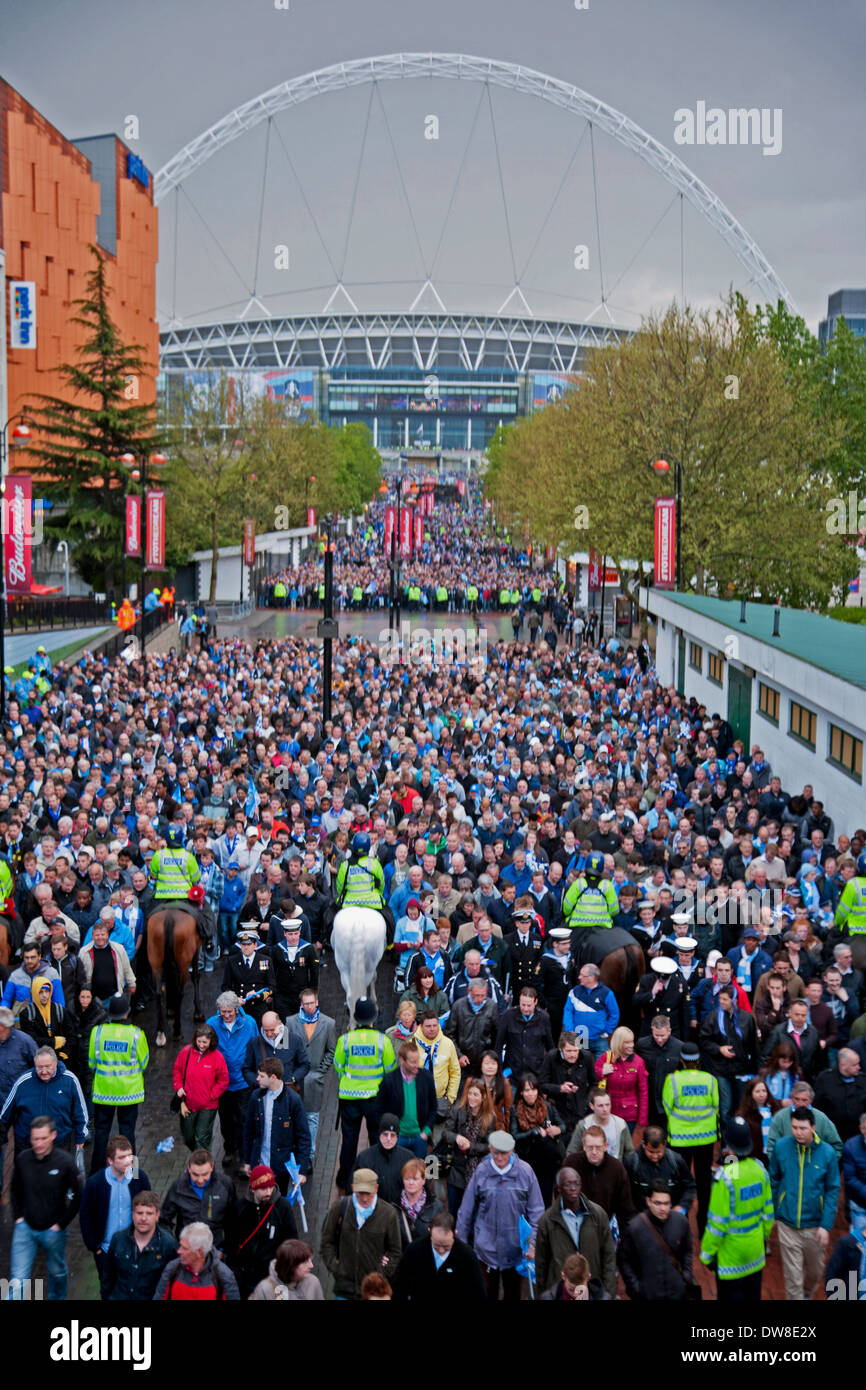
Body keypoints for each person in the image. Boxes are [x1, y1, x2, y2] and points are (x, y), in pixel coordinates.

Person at [456, 1130, 545, 1302]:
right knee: (486, 1294)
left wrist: (532, 1243)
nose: (499, 1157)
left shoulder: (526, 1172)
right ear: (489, 1148)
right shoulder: (482, 1171)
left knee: (514, 1294)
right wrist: (462, 1246)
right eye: (495, 1152)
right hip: (486, 1251)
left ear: (512, 1150)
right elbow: (465, 1210)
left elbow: (537, 1212)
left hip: (516, 1252)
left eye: (503, 1153)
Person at [699, 1115, 774, 1301]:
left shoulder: (725, 1177)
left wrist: (706, 1255)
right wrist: (762, 1239)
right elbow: (768, 1215)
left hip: (730, 1259)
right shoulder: (760, 1170)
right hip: (755, 1254)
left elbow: (718, 1225)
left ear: (728, 1145)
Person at [770, 1106, 841, 1301]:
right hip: (787, 1223)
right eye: (794, 1127)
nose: (798, 1132)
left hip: (815, 1226)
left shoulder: (827, 1154)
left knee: (815, 1272)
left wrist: (826, 1226)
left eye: (802, 1128)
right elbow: (774, 1180)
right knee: (792, 1278)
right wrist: (775, 1211)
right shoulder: (781, 1147)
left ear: (813, 1128)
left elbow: (832, 1190)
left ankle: (806, 1295)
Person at [8, 1115, 81, 1300]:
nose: (38, 1143)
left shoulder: (65, 1162)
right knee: (17, 1280)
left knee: (57, 1273)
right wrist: (18, 1217)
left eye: (43, 1138)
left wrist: (61, 1224)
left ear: (53, 1135)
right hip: (26, 1228)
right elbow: (14, 1188)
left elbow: (79, 1195)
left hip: (53, 1231)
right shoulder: (23, 1159)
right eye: (35, 1139)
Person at [334, 996, 397, 1191]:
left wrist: (351, 1079)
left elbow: (338, 1066)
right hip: (374, 1098)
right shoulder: (382, 1040)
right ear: (373, 1019)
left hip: (349, 1097)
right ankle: (377, 1176)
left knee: (349, 1140)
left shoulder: (345, 1040)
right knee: (375, 1138)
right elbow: (390, 1069)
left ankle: (346, 1178)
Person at [662, 1041, 720, 1235]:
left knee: (680, 1182)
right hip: (705, 1139)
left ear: (681, 1060)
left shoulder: (672, 1080)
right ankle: (703, 1225)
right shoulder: (710, 1079)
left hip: (680, 1139)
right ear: (698, 1060)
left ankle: (682, 1224)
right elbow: (716, 1106)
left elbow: (667, 1106)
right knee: (704, 1183)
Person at [88, 991, 149, 1173]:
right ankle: (133, 1172)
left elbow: (92, 1063)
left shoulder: (97, 1032)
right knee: (128, 1133)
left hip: (103, 1092)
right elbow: (144, 1063)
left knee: (101, 1132)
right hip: (129, 1093)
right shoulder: (136, 1034)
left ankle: (96, 1173)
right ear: (127, 1013)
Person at [320, 1168, 403, 1301]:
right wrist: (336, 1268)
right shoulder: (339, 1207)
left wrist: (382, 1272)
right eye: (360, 1193)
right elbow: (326, 1242)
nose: (364, 1198)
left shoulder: (388, 1213)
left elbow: (396, 1251)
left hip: (374, 1292)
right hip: (344, 1289)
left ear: (376, 1188)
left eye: (368, 1193)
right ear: (353, 1188)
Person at [534, 1165, 617, 1297]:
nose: (573, 1188)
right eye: (568, 1184)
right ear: (559, 1188)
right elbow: (541, 1264)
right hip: (561, 1292)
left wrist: (607, 1293)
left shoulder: (598, 1215)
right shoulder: (547, 1220)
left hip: (592, 1290)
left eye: (577, 1183)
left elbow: (608, 1257)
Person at [79, 1136, 151, 1279]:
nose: (128, 1161)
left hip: (134, 1250)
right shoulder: (96, 1183)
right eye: (122, 1157)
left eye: (130, 1156)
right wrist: (95, 1247)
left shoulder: (139, 1178)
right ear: (110, 1160)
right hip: (106, 1252)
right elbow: (85, 1216)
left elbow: (150, 1209)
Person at [224, 1164, 299, 1299]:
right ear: (253, 1188)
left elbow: (292, 1241)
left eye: (271, 1187)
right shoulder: (240, 1208)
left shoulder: (283, 1207)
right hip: (245, 1277)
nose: (269, 1192)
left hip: (273, 1278)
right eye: (263, 1188)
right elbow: (231, 1241)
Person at [0, 1045, 88, 1158]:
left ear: (55, 1063)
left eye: (48, 1066)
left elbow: (80, 1111)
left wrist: (81, 1136)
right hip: (27, 1145)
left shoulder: (70, 1080)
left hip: (59, 1144)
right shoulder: (23, 1081)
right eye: (39, 1067)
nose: (44, 1071)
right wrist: (2, 1137)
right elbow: (6, 1112)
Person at [241, 1058, 312, 1194]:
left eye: (261, 1076)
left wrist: (302, 1170)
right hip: (259, 1164)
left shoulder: (293, 1100)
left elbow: (303, 1136)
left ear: (273, 1077)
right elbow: (248, 1131)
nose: (257, 1079)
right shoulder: (256, 1097)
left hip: (281, 1169)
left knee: (278, 1204)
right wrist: (247, 1161)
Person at [206, 991, 258, 1171]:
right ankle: (229, 1149)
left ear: (237, 1009)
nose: (227, 1016)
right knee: (226, 1119)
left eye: (230, 1012)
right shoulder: (212, 1025)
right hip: (221, 1083)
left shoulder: (249, 1024)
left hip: (243, 1082)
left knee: (243, 1119)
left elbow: (256, 1048)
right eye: (223, 1012)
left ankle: (244, 1157)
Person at [618, 1180, 695, 1301]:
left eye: (666, 1203)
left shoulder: (681, 1222)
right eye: (657, 1203)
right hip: (647, 1294)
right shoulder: (635, 1227)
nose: (662, 1208)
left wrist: (686, 1275)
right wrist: (635, 1287)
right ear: (648, 1201)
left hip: (677, 1292)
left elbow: (687, 1251)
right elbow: (624, 1260)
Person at [285, 987, 336, 1162]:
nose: (309, 1007)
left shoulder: (328, 1023)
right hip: (295, 1079)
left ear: (317, 1003)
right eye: (305, 1004)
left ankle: (309, 1155)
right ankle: (295, 1152)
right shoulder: (290, 1022)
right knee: (293, 1117)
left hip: (315, 1079)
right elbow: (285, 1049)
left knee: (312, 1118)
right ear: (301, 1004)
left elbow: (331, 1050)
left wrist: (321, 1071)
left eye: (311, 1003)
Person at [390, 1210, 487, 1301]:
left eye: (446, 1246)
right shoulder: (414, 1251)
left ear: (455, 1233)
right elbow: (399, 1288)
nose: (441, 1250)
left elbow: (478, 1293)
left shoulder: (467, 1256)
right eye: (436, 1245)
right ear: (429, 1231)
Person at [699, 983, 760, 1126]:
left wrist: (757, 1070)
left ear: (734, 1001)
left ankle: (739, 1137)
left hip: (741, 1069)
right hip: (720, 1069)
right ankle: (726, 1142)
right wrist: (719, 1049)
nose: (721, 1002)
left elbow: (754, 1045)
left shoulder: (747, 1018)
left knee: (741, 1106)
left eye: (725, 999)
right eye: (720, 999)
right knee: (725, 1107)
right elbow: (704, 1039)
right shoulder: (713, 1017)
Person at [100, 1191, 179, 1301]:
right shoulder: (118, 1239)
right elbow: (108, 1276)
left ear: (157, 1215)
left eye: (149, 1213)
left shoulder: (168, 1245)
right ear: (132, 1215)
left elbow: (173, 1283)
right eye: (139, 1213)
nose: (143, 1218)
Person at [160, 1148, 238, 1250]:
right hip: (188, 1250)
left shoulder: (225, 1184)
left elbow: (233, 1221)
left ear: (212, 1167)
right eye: (195, 1175)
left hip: (215, 1249)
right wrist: (175, 1246)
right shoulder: (178, 1187)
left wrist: (225, 1250)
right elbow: (164, 1220)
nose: (200, 1180)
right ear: (189, 1168)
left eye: (205, 1174)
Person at [563, 1124, 634, 1230]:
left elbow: (625, 1209)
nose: (594, 1152)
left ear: (605, 1146)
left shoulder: (616, 1168)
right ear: (583, 1146)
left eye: (598, 1147)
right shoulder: (571, 1163)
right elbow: (559, 1198)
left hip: (604, 1227)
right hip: (574, 1226)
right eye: (590, 1147)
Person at [375, 1039, 437, 1159]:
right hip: (398, 1138)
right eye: (413, 1062)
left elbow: (433, 1107)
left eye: (417, 1061)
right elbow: (378, 1109)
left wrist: (426, 1132)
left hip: (420, 1137)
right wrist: (388, 1133)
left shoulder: (426, 1077)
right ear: (402, 1060)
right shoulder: (389, 1080)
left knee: (419, 1173)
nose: (417, 1065)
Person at [442, 1079, 496, 1215]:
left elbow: (489, 1146)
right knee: (454, 1210)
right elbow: (445, 1133)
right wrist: (457, 1138)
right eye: (470, 1093)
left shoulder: (489, 1118)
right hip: (456, 1168)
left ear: (483, 1097)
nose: (471, 1097)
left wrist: (470, 1146)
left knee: (473, 1213)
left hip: (477, 1170)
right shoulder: (458, 1110)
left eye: (476, 1094)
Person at [172, 1023, 230, 1152]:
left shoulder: (217, 1057)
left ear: (211, 1041)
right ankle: (198, 1156)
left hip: (208, 1107)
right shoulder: (186, 1052)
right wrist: (178, 1086)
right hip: (188, 1104)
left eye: (205, 1042)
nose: (202, 1045)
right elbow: (177, 1071)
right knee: (188, 1136)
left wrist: (212, 1095)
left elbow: (223, 1080)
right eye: (199, 1041)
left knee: (202, 1138)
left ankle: (202, 1165)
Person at [154, 1221, 241, 1300]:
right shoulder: (172, 1269)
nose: (179, 1251)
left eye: (185, 1248)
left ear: (199, 1252)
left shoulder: (224, 1276)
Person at [623, 1125, 697, 1215]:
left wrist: (682, 1206)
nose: (655, 1156)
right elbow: (625, 1193)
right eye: (651, 1152)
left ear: (664, 1144)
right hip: (643, 1218)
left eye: (658, 1152)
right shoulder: (631, 1163)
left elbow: (689, 1186)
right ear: (643, 1144)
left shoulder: (676, 1160)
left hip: (671, 1216)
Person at [765, 1079, 844, 1163]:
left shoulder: (821, 1118)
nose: (800, 1103)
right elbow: (771, 1147)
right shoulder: (780, 1117)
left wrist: (823, 1166)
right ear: (791, 1098)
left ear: (811, 1100)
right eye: (797, 1099)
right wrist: (782, 1167)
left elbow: (836, 1146)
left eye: (804, 1100)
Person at [538, 1031, 597, 1133]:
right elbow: (541, 1085)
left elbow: (594, 1083)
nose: (572, 1055)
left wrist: (586, 1103)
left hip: (580, 1111)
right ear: (560, 1049)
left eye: (575, 1051)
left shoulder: (587, 1057)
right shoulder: (551, 1057)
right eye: (568, 1051)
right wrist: (560, 1088)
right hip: (556, 1111)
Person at [412, 1009, 461, 1127]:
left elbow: (455, 1071)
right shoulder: (412, 1043)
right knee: (420, 1136)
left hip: (440, 1100)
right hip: (417, 1099)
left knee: (438, 1140)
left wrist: (450, 1098)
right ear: (421, 1026)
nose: (432, 1028)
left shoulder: (448, 1044)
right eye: (428, 1026)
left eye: (435, 1025)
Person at [353, 1114, 415, 1205]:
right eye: (385, 1134)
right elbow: (354, 1187)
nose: (388, 1139)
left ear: (397, 1137)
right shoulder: (365, 1158)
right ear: (379, 1134)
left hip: (401, 1210)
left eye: (392, 1135)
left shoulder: (408, 1158)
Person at [596, 1025, 648, 1133]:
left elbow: (643, 1092)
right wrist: (601, 1073)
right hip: (608, 1114)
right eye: (627, 1042)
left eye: (632, 1042)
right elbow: (592, 1078)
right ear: (618, 1042)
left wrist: (642, 1119)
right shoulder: (606, 1058)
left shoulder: (639, 1062)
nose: (631, 1045)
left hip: (630, 1116)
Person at [562, 962, 619, 1061]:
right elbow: (568, 1011)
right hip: (580, 1039)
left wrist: (607, 1031)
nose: (579, 977)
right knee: (580, 1068)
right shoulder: (574, 992)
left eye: (582, 975)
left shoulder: (607, 993)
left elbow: (614, 1014)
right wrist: (569, 1030)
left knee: (601, 1070)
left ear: (592, 977)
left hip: (599, 1039)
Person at [496, 986, 554, 1079]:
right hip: (512, 1072)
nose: (526, 1009)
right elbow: (498, 1045)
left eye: (529, 1005)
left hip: (535, 1073)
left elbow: (550, 1046)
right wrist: (501, 1071)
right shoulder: (508, 1016)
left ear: (535, 1002)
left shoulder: (544, 1018)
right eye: (523, 1005)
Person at [445, 978, 499, 1076]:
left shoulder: (492, 1006)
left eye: (482, 996)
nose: (479, 999)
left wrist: (490, 1057)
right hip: (463, 1061)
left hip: (484, 1061)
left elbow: (496, 1035)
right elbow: (449, 1034)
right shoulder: (458, 1006)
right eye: (476, 995)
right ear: (469, 992)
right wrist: (459, 1055)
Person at [637, 1013, 684, 1127]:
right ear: (652, 1030)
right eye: (656, 1035)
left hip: (670, 1099)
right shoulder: (642, 1045)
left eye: (662, 1035)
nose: (659, 1039)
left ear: (669, 1031)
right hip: (649, 1099)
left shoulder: (679, 1047)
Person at [568, 1085, 634, 1162]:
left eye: (607, 1105)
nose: (605, 1109)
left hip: (614, 1169)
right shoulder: (584, 1125)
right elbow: (571, 1152)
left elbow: (630, 1153)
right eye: (600, 1106)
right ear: (591, 1106)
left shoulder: (620, 1124)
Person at [813, 1048, 866, 1142]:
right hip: (833, 1135)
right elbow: (817, 1107)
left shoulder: (863, 1080)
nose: (859, 1067)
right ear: (843, 1065)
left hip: (857, 1136)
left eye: (858, 1063)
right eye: (854, 1065)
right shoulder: (825, 1080)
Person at [249, 1238, 324, 1301]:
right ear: (291, 1265)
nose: (311, 1265)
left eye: (310, 1260)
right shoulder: (265, 1289)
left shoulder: (312, 1282)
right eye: (305, 1262)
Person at [394, 1156, 444, 1249]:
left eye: (415, 1179)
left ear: (424, 1180)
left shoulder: (436, 1206)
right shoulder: (393, 1207)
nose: (411, 1183)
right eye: (407, 1179)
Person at [539, 1249, 611, 1301]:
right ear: (563, 1276)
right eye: (571, 1289)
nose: (575, 1295)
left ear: (588, 1277)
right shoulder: (547, 1298)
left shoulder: (604, 1298)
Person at [842, 1111, 866, 1230]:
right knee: (861, 1244)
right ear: (861, 1129)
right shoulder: (851, 1146)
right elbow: (850, 1178)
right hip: (860, 1205)